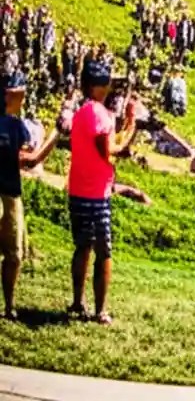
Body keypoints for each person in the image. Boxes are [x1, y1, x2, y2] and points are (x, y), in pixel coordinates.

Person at [66, 60, 137, 325]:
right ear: (102, 85)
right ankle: (100, 310)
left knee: (82, 247)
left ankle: (77, 301)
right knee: (103, 252)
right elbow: (107, 149)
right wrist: (126, 148)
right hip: (96, 193)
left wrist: (129, 125)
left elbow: (108, 141)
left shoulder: (83, 111)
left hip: (78, 189)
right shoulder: (99, 113)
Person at [0, 71, 58, 320]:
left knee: (15, 253)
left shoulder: (17, 125)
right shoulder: (13, 125)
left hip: (12, 193)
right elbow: (29, 160)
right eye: (19, 92)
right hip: (8, 193)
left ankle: (9, 305)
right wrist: (57, 134)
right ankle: (9, 305)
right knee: (13, 254)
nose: (22, 97)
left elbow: (28, 157)